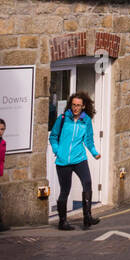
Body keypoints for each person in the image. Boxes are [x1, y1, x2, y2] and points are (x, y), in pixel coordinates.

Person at [48, 92, 101, 230]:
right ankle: (62, 222)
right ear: (70, 105)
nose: (75, 108)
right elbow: (53, 137)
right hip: (63, 160)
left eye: (78, 105)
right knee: (65, 190)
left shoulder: (86, 120)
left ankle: (87, 217)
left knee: (87, 182)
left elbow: (88, 140)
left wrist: (94, 153)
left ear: (83, 106)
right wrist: (57, 151)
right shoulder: (63, 118)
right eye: (73, 105)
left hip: (79, 158)